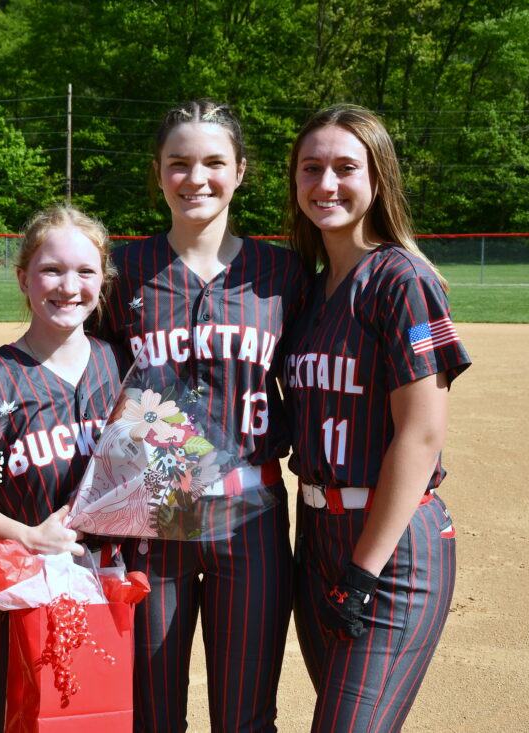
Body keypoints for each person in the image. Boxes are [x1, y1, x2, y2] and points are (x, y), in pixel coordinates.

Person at [97, 100, 308, 732]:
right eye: (179, 163)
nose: (197, 178)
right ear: (158, 174)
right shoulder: (120, 270)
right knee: (151, 713)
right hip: (149, 512)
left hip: (251, 514)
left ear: (240, 170)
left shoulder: (283, 272)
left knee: (245, 715)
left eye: (214, 162)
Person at [281, 104, 471, 732]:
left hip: (392, 547)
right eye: (312, 168)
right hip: (316, 537)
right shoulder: (308, 291)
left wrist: (363, 571)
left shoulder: (402, 280)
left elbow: (421, 433)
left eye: (345, 167)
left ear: (378, 179)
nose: (326, 184)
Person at [0, 204, 125, 733]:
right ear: (23, 278)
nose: (69, 286)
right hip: (12, 603)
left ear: (103, 280)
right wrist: (27, 535)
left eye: (85, 271)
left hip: (103, 595)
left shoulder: (120, 365)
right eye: (52, 270)